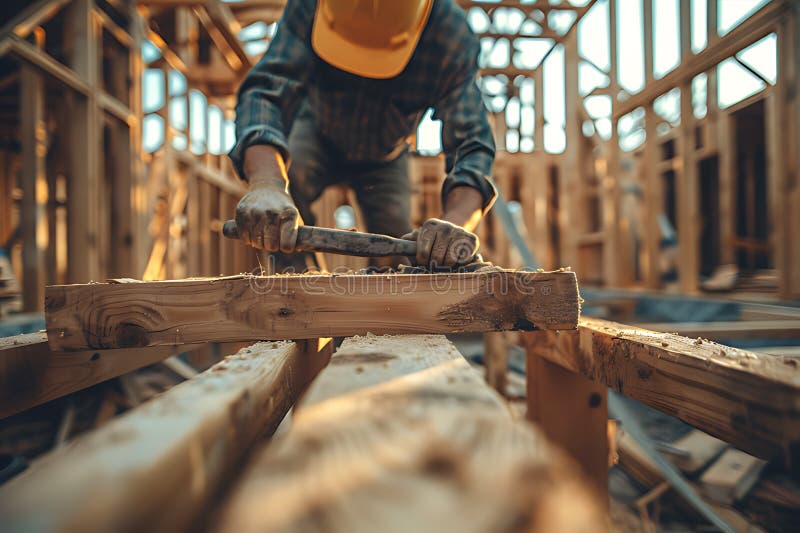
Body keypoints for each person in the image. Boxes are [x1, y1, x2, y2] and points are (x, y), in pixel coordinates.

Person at [229, 0, 496, 270]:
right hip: (317, 133)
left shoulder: (449, 34)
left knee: (396, 245)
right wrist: (266, 182)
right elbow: (263, 93)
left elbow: (472, 142)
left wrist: (457, 221)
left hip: (386, 155)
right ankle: (294, 293)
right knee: (281, 214)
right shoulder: (309, 6)